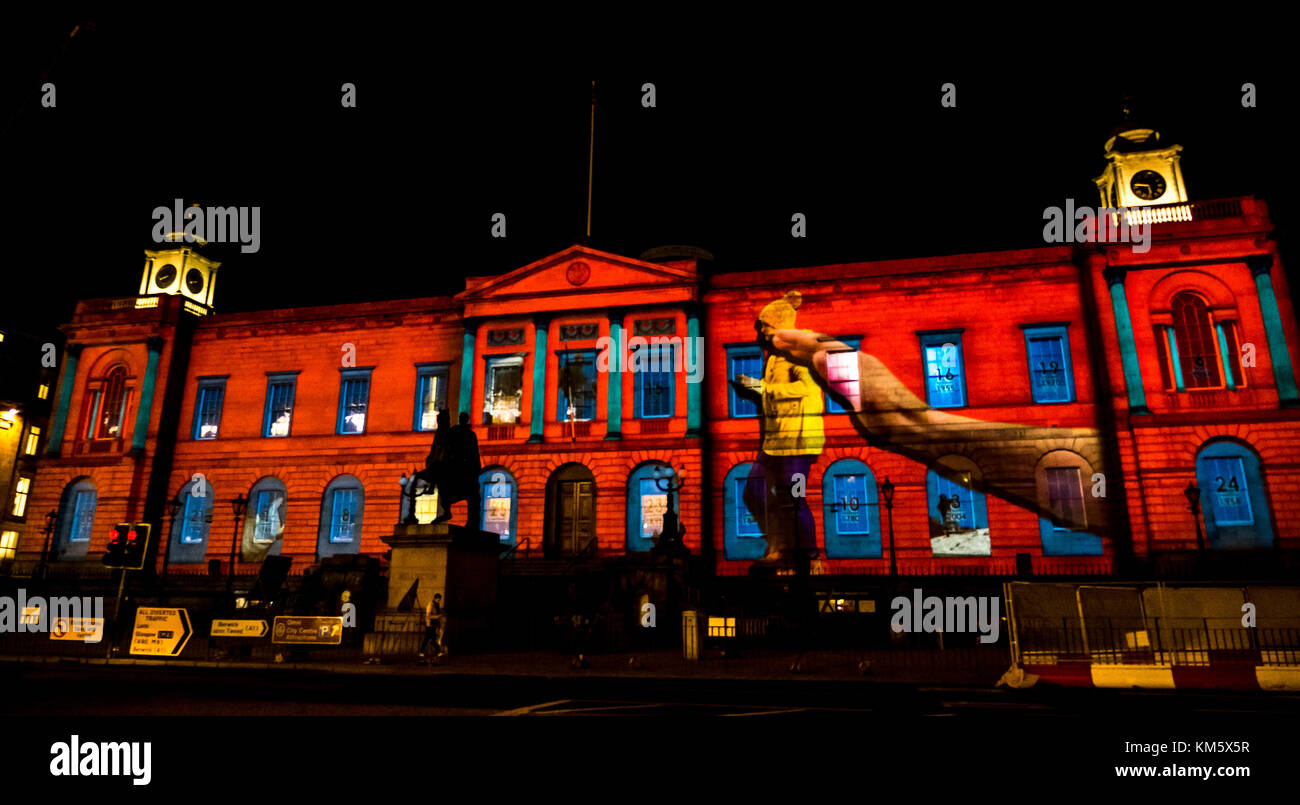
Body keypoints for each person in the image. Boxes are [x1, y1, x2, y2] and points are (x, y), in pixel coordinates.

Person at [732, 291, 823, 563]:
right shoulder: (772, 359)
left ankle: (809, 557)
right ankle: (780, 543)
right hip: (775, 441)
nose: (762, 335)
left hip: (798, 439)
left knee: (795, 498)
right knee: (753, 491)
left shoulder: (801, 354)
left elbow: (808, 389)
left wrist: (760, 387)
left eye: (767, 329)